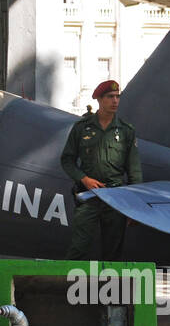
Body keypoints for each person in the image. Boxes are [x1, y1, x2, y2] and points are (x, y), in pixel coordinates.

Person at [60, 80, 141, 260]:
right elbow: (67, 160)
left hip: (115, 199)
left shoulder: (126, 131)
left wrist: (135, 206)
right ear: (99, 99)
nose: (115, 101)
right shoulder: (82, 128)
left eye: (117, 97)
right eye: (110, 97)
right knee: (79, 247)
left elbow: (134, 170)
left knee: (113, 252)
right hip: (89, 196)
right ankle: (69, 287)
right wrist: (84, 179)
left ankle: (109, 288)